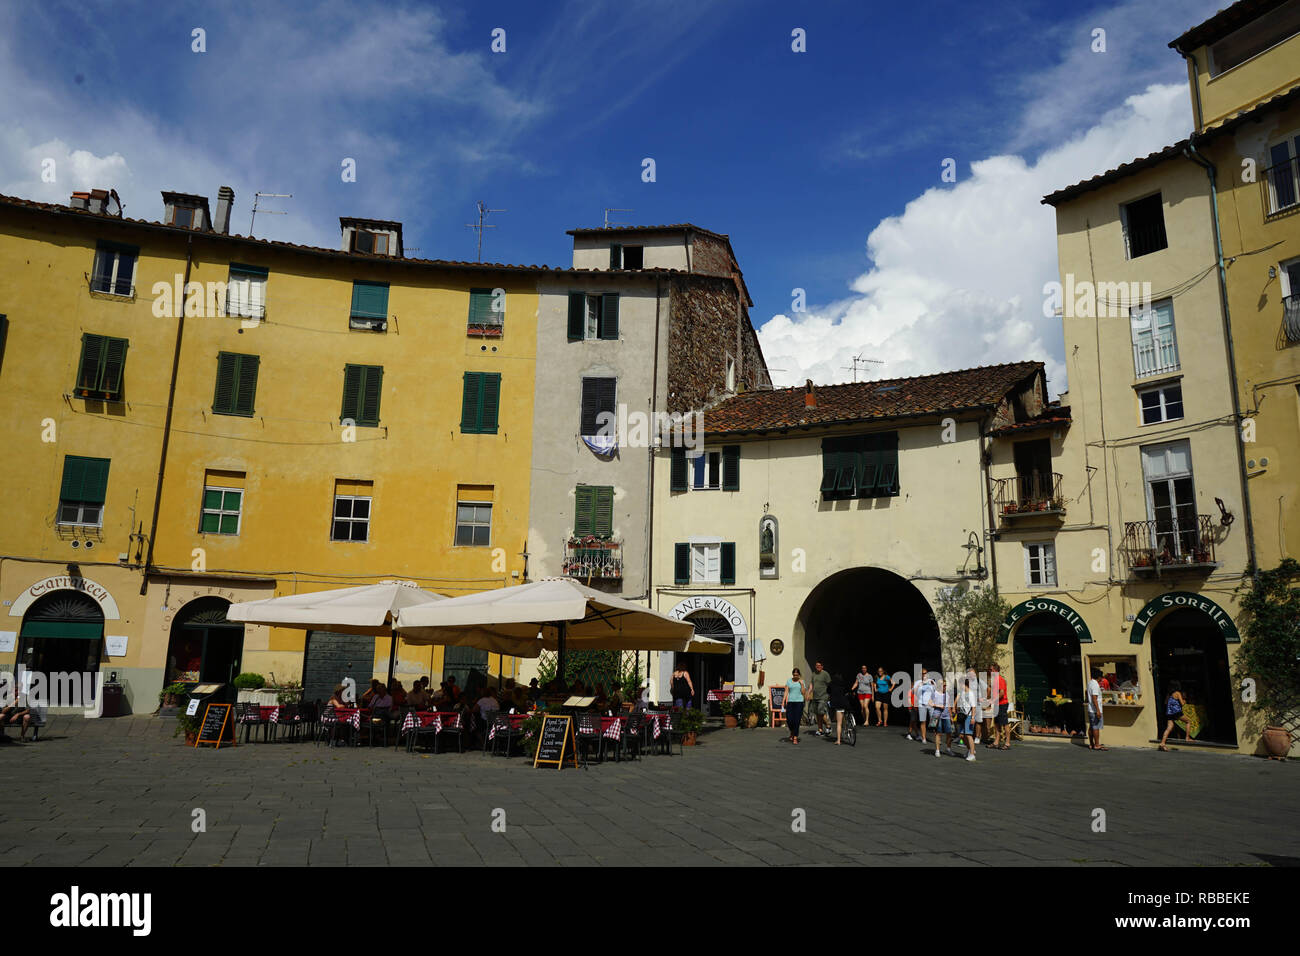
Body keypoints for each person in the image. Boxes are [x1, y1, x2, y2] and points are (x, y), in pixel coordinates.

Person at [1158, 681, 1188, 751]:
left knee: (1169, 728)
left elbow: (1165, 702)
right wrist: (1184, 701)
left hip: (1169, 713)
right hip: (1176, 712)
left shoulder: (1169, 694)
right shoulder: (1177, 693)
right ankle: (1187, 738)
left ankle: (1162, 743)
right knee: (1188, 721)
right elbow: (1182, 703)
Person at [930, 678, 955, 757]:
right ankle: (937, 750)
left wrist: (951, 716)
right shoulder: (935, 693)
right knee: (938, 733)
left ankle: (948, 749)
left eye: (945, 685)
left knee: (949, 733)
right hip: (937, 715)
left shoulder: (947, 694)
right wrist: (938, 706)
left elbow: (949, 706)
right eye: (943, 685)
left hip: (946, 715)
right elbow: (930, 703)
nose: (945, 686)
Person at [957, 675, 978, 761]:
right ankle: (970, 750)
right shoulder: (962, 693)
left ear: (963, 684)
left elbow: (973, 707)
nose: (959, 685)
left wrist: (973, 717)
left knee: (968, 735)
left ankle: (972, 754)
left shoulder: (971, 693)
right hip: (962, 715)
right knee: (962, 735)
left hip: (969, 716)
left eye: (960, 684)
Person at [990, 663, 1011, 750]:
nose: (990, 672)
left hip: (1002, 704)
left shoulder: (1000, 680)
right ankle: (996, 742)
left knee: (1004, 724)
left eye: (991, 670)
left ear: (995, 670)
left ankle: (1007, 743)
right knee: (996, 724)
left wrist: (993, 700)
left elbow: (1001, 693)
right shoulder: (994, 680)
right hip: (997, 704)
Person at [785, 668, 807, 745]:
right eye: (794, 675)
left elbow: (804, 693)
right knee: (789, 719)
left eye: (797, 675)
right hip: (790, 702)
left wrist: (801, 684)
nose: (795, 676)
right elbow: (786, 691)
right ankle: (792, 731)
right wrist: (783, 701)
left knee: (797, 720)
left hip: (799, 702)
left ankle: (795, 737)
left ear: (799, 675)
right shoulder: (789, 681)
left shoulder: (802, 682)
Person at [912, 668, 934, 744]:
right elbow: (913, 692)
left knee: (934, 722)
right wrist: (918, 686)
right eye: (923, 673)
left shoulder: (931, 681)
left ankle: (936, 738)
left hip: (931, 704)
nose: (924, 674)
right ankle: (924, 738)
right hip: (921, 704)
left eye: (925, 673)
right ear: (920, 674)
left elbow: (936, 691)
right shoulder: (917, 682)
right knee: (923, 722)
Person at [1086, 667, 1106, 751]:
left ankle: (1091, 743)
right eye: (1101, 677)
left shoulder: (1090, 683)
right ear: (1099, 677)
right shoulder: (1095, 684)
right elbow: (1094, 698)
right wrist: (1098, 710)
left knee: (1092, 726)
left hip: (1090, 708)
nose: (1102, 679)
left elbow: (1087, 693)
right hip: (1094, 710)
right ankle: (1097, 744)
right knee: (1096, 727)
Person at [828, 672, 849, 745]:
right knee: (845, 715)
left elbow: (828, 691)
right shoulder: (843, 683)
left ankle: (838, 740)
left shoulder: (831, 684)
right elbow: (847, 691)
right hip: (846, 703)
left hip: (838, 704)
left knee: (839, 723)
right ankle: (848, 726)